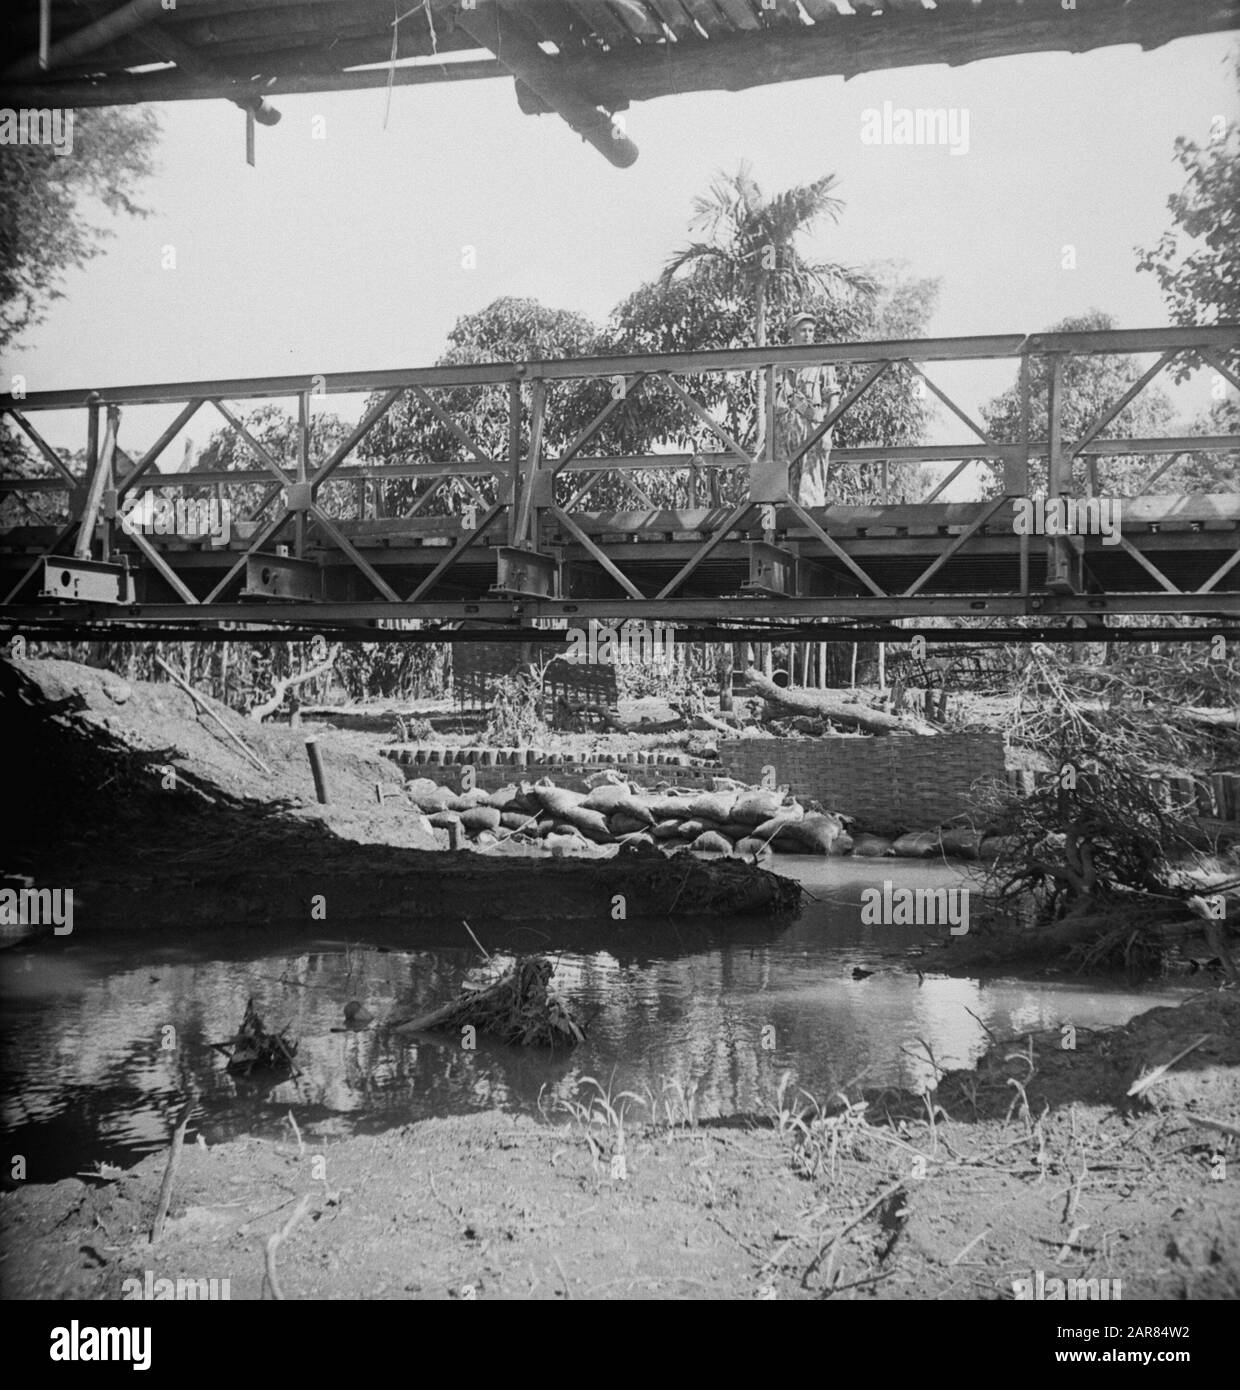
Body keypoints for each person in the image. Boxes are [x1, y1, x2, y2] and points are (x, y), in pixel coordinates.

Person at [774, 309, 839, 509]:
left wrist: (827, 434)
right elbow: (771, 402)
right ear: (792, 333)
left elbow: (833, 399)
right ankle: (779, 531)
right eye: (803, 330)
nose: (808, 335)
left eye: (811, 330)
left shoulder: (822, 361)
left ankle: (811, 532)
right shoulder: (780, 363)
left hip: (811, 430)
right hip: (784, 432)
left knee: (810, 488)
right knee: (781, 491)